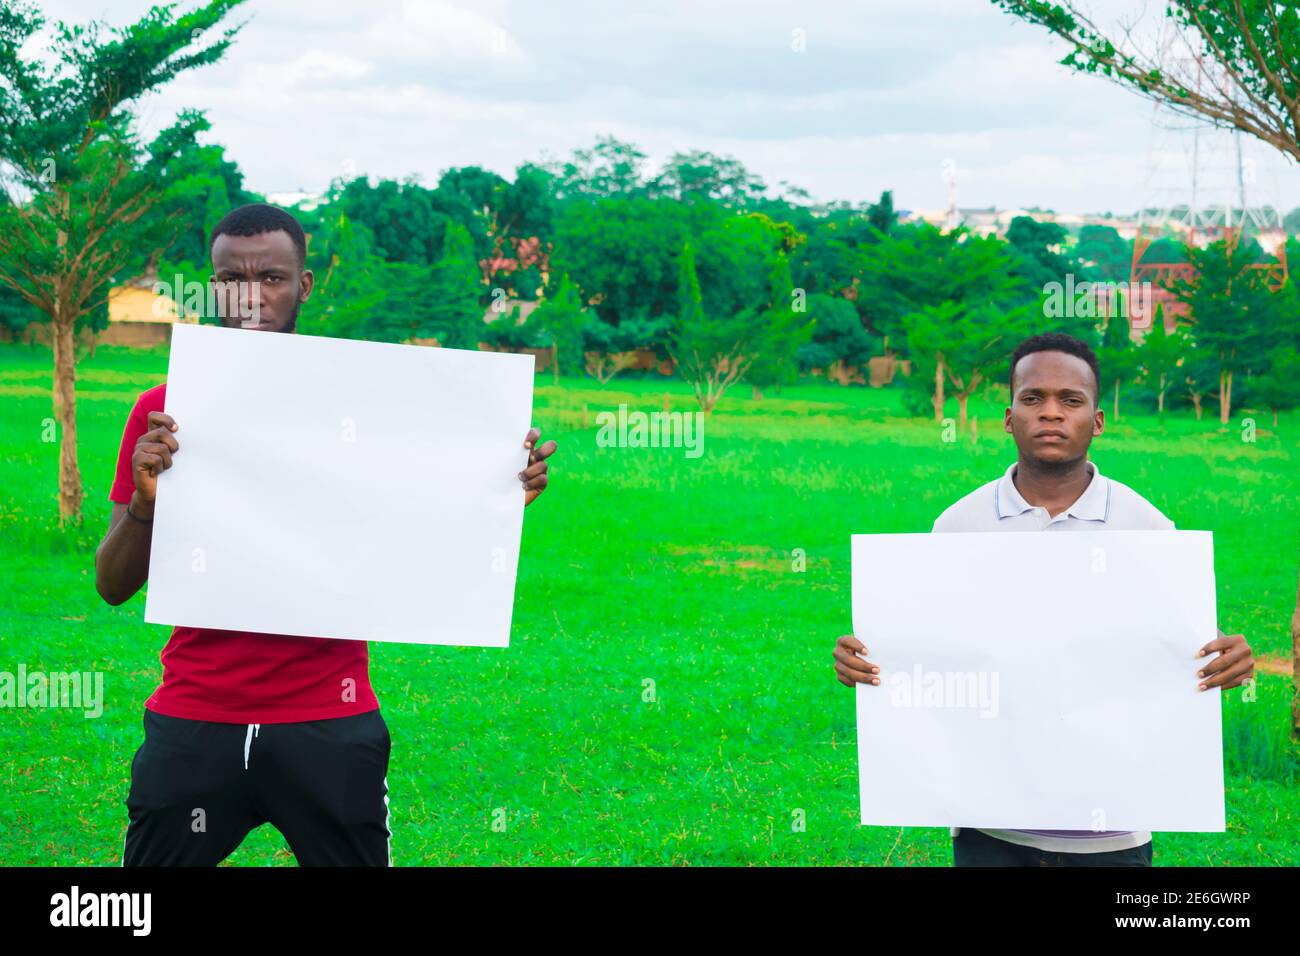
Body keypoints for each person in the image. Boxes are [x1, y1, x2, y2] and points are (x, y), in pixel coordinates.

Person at [95, 203, 557, 866]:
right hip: (197, 715)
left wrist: (498, 487)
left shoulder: (362, 407)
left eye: (273, 278)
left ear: (305, 284)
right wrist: (146, 500)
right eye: (232, 278)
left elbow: (420, 519)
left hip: (328, 718)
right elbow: (112, 585)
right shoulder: (163, 411)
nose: (251, 295)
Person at [832, 331, 1254, 867]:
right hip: (992, 830)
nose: (1050, 413)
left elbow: (1179, 661)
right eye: (1033, 399)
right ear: (1009, 417)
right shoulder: (958, 527)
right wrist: (870, 663)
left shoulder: (1148, 530)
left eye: (1071, 401)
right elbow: (931, 655)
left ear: (1097, 421)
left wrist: (1229, 663)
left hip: (1112, 835)